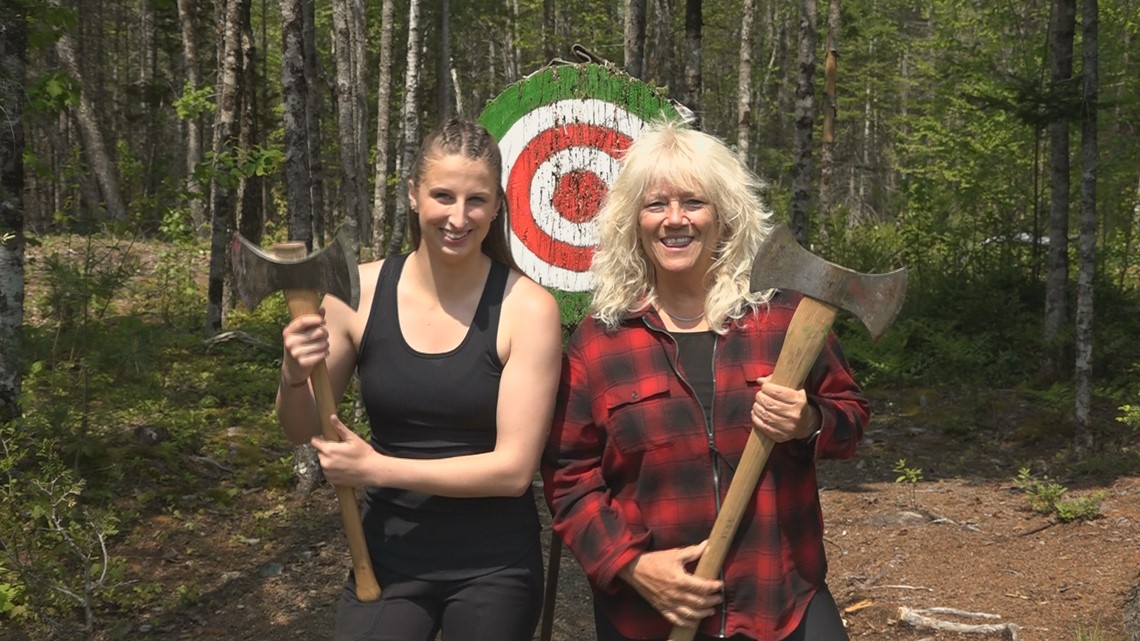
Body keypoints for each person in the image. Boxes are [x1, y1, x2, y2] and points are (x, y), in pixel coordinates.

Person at [541, 120, 870, 641]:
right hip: (651, 612)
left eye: (693, 202)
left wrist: (809, 420)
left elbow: (849, 418)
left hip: (781, 595)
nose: (675, 220)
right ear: (633, 222)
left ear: (725, 216)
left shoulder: (783, 319)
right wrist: (629, 564)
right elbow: (569, 476)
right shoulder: (599, 342)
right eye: (656, 205)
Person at [277, 118, 562, 641]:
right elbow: (302, 429)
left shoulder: (528, 309)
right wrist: (294, 375)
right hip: (386, 558)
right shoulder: (354, 293)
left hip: (494, 566)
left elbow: (513, 471)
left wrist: (378, 468)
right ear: (413, 195)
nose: (458, 216)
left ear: (497, 205)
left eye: (476, 200)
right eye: (442, 195)